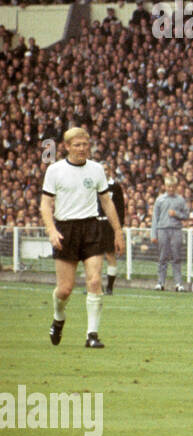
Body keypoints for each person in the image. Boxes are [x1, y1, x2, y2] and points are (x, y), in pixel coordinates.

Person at [40, 127, 124, 348]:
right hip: (65, 230)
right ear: (67, 147)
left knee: (95, 281)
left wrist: (117, 231)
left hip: (91, 227)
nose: (82, 149)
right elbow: (45, 205)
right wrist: (51, 230)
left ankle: (92, 335)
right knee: (65, 289)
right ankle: (58, 318)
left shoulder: (96, 169)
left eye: (85, 144)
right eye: (77, 145)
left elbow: (106, 201)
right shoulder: (55, 171)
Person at [151, 176, 190, 291]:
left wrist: (176, 214)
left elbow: (186, 215)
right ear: (165, 186)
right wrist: (153, 234)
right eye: (169, 186)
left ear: (176, 187)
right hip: (162, 229)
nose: (171, 188)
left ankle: (178, 284)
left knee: (176, 257)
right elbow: (155, 217)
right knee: (163, 257)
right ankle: (160, 283)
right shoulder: (160, 200)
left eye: (173, 186)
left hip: (176, 230)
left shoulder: (180, 200)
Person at [95, 157, 126, 295]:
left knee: (110, 255)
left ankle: (110, 287)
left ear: (110, 171)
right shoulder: (94, 186)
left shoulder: (115, 187)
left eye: (106, 169)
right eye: (101, 169)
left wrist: (118, 228)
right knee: (95, 256)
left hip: (109, 224)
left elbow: (120, 209)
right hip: (95, 223)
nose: (103, 171)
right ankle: (95, 286)